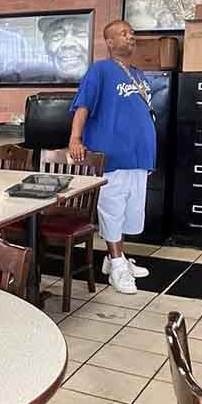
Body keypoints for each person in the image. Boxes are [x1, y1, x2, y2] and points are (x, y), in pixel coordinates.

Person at [68, 20, 156, 294]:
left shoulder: (138, 74)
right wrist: (75, 138)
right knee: (113, 210)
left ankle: (114, 258)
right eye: (123, 33)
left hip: (138, 158)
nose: (131, 36)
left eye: (131, 32)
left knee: (130, 212)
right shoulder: (100, 70)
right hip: (112, 156)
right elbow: (83, 106)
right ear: (109, 42)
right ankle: (117, 265)